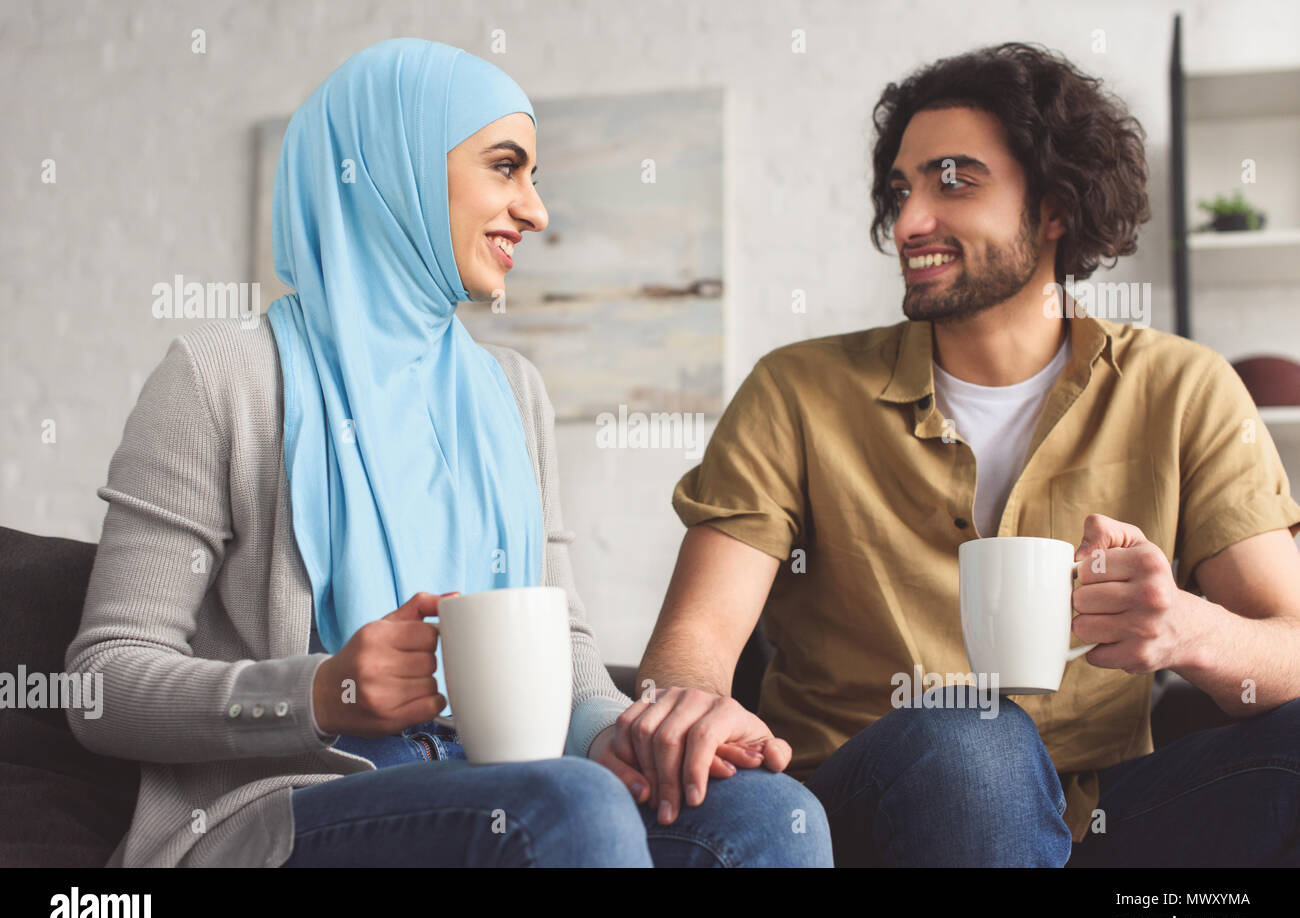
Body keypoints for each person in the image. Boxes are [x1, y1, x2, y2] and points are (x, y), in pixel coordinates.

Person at [65, 38, 831, 867]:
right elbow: (101, 683)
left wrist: (638, 733)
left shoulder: (511, 391)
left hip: (501, 784)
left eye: (533, 177)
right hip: (292, 807)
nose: (536, 211)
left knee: (768, 813)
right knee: (567, 804)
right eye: (506, 168)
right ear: (393, 169)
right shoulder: (223, 376)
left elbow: (565, 657)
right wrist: (320, 691)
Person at [604, 42, 1300, 866]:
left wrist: (1189, 628)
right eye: (901, 190)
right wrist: (689, 703)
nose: (907, 222)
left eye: (953, 180)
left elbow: (1287, 645)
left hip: (1106, 817)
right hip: (873, 808)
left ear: (1055, 206)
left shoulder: (1185, 388)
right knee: (974, 735)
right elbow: (691, 647)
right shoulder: (796, 392)